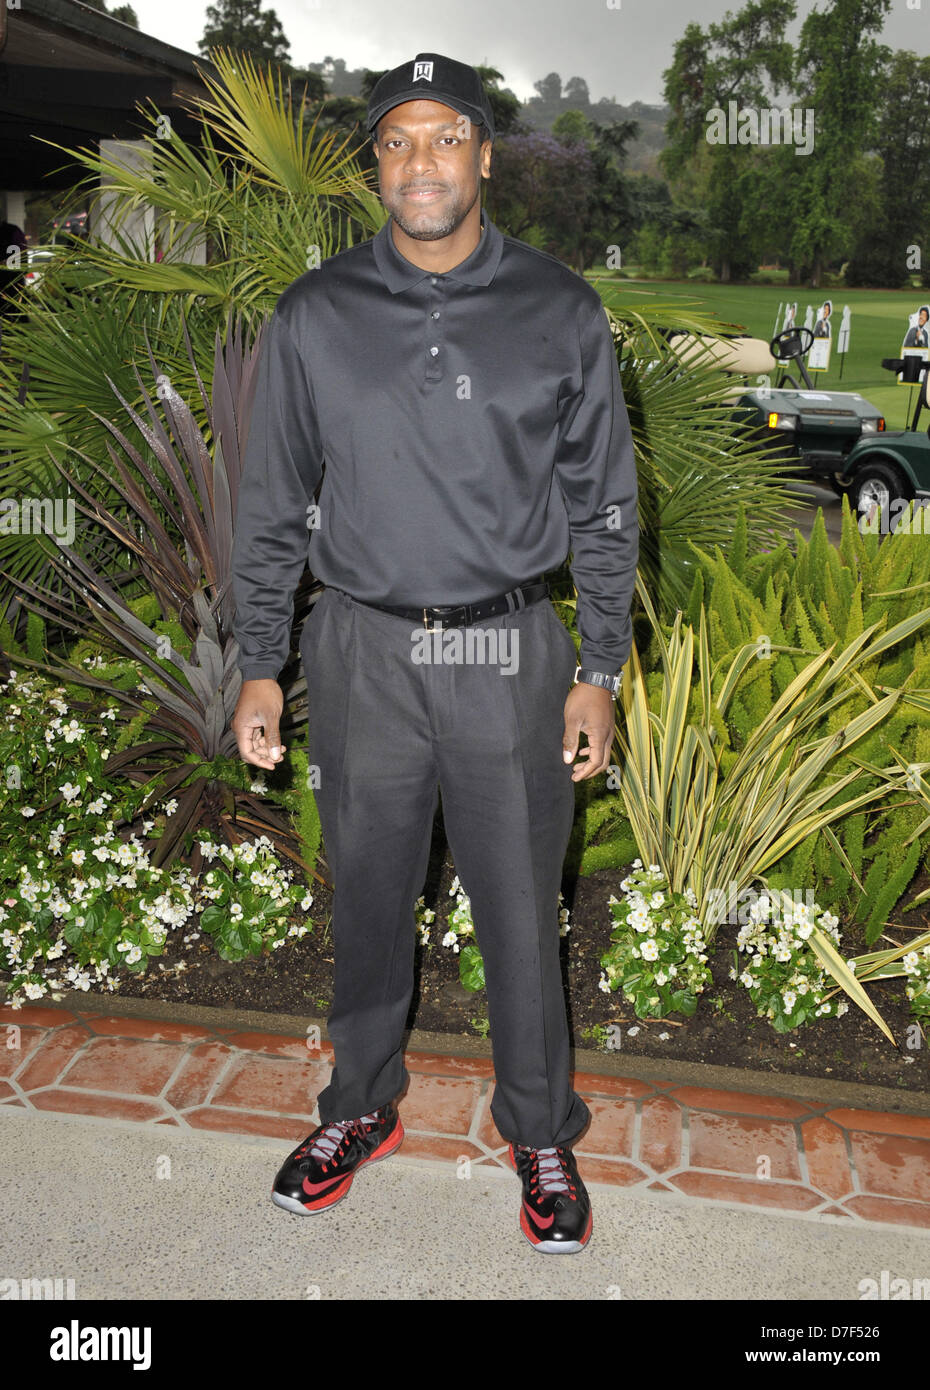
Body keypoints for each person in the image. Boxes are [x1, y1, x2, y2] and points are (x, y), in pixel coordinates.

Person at [229, 52, 639, 1255]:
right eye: (399, 140)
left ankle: (539, 1127)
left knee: (521, 905)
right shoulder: (315, 314)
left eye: (445, 138)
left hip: (513, 649)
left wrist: (598, 667)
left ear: (485, 157)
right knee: (368, 897)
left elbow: (606, 504)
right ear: (376, 164)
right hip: (361, 651)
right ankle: (359, 1108)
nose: (422, 162)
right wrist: (265, 656)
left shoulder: (560, 310)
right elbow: (269, 500)